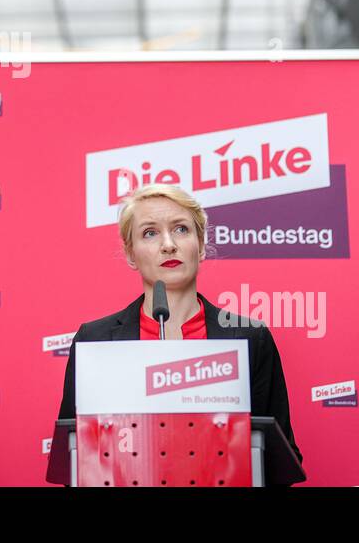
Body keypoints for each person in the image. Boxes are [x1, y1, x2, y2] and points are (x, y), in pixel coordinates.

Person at [55, 183, 302, 468]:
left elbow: (280, 459)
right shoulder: (94, 340)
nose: (168, 244)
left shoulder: (250, 338)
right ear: (130, 254)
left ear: (200, 245)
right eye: (150, 233)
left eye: (181, 229)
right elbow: (74, 458)